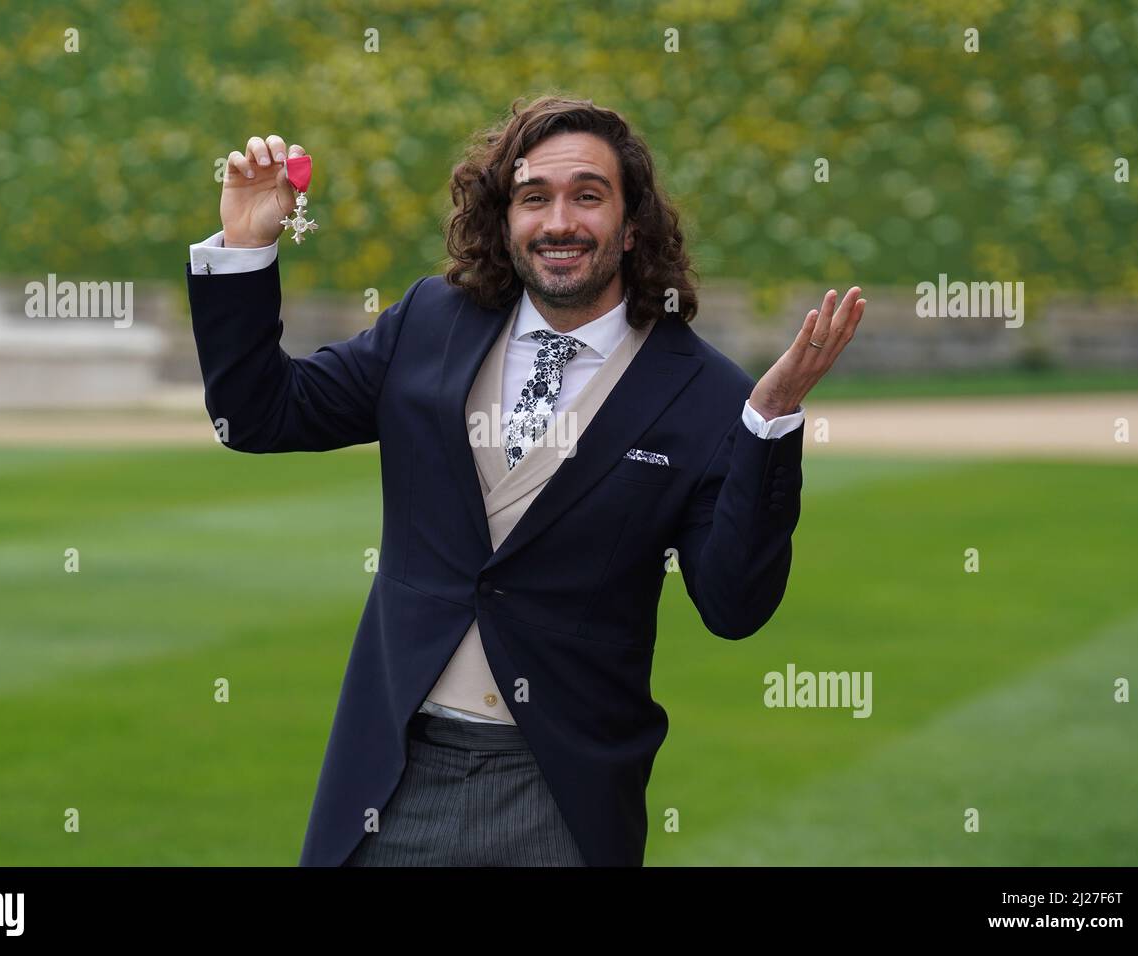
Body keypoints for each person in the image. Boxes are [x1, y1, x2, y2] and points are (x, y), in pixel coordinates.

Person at [186, 94, 866, 867]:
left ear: (632, 222)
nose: (558, 223)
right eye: (532, 197)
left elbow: (735, 606)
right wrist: (244, 250)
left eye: (587, 196)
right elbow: (259, 417)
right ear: (504, 218)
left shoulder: (706, 394)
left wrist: (768, 425)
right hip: (395, 777)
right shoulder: (429, 323)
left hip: (562, 798)